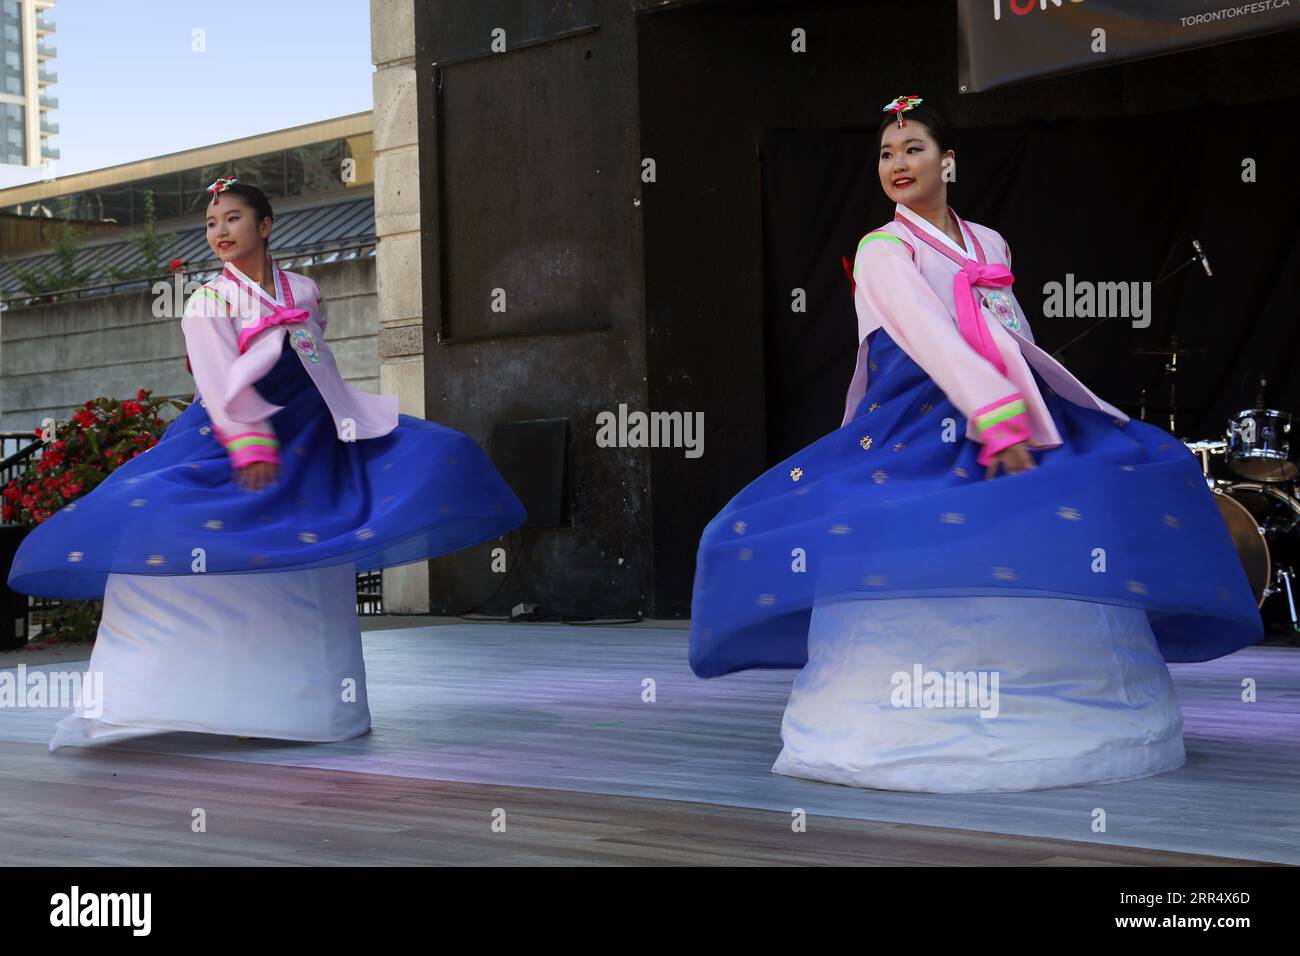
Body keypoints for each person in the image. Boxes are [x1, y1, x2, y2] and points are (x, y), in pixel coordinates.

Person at [686, 97, 1262, 793]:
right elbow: (928, 336)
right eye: (886, 154)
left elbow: (1010, 327)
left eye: (914, 149)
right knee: (916, 525)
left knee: (1134, 466)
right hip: (920, 405)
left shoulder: (989, 242)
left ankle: (1078, 714)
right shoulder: (882, 250)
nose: (897, 165)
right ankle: (915, 719)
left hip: (1004, 390)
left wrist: (1042, 405)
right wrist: (993, 412)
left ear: (947, 161)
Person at [8, 177, 527, 751]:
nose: (220, 232)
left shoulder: (305, 291)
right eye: (211, 224)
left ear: (265, 225)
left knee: (438, 458)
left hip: (317, 431)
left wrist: (346, 422)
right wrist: (250, 443)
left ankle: (303, 709)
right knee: (171, 525)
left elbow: (316, 361)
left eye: (232, 218)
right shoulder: (208, 302)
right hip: (237, 434)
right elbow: (215, 381)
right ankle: (175, 697)